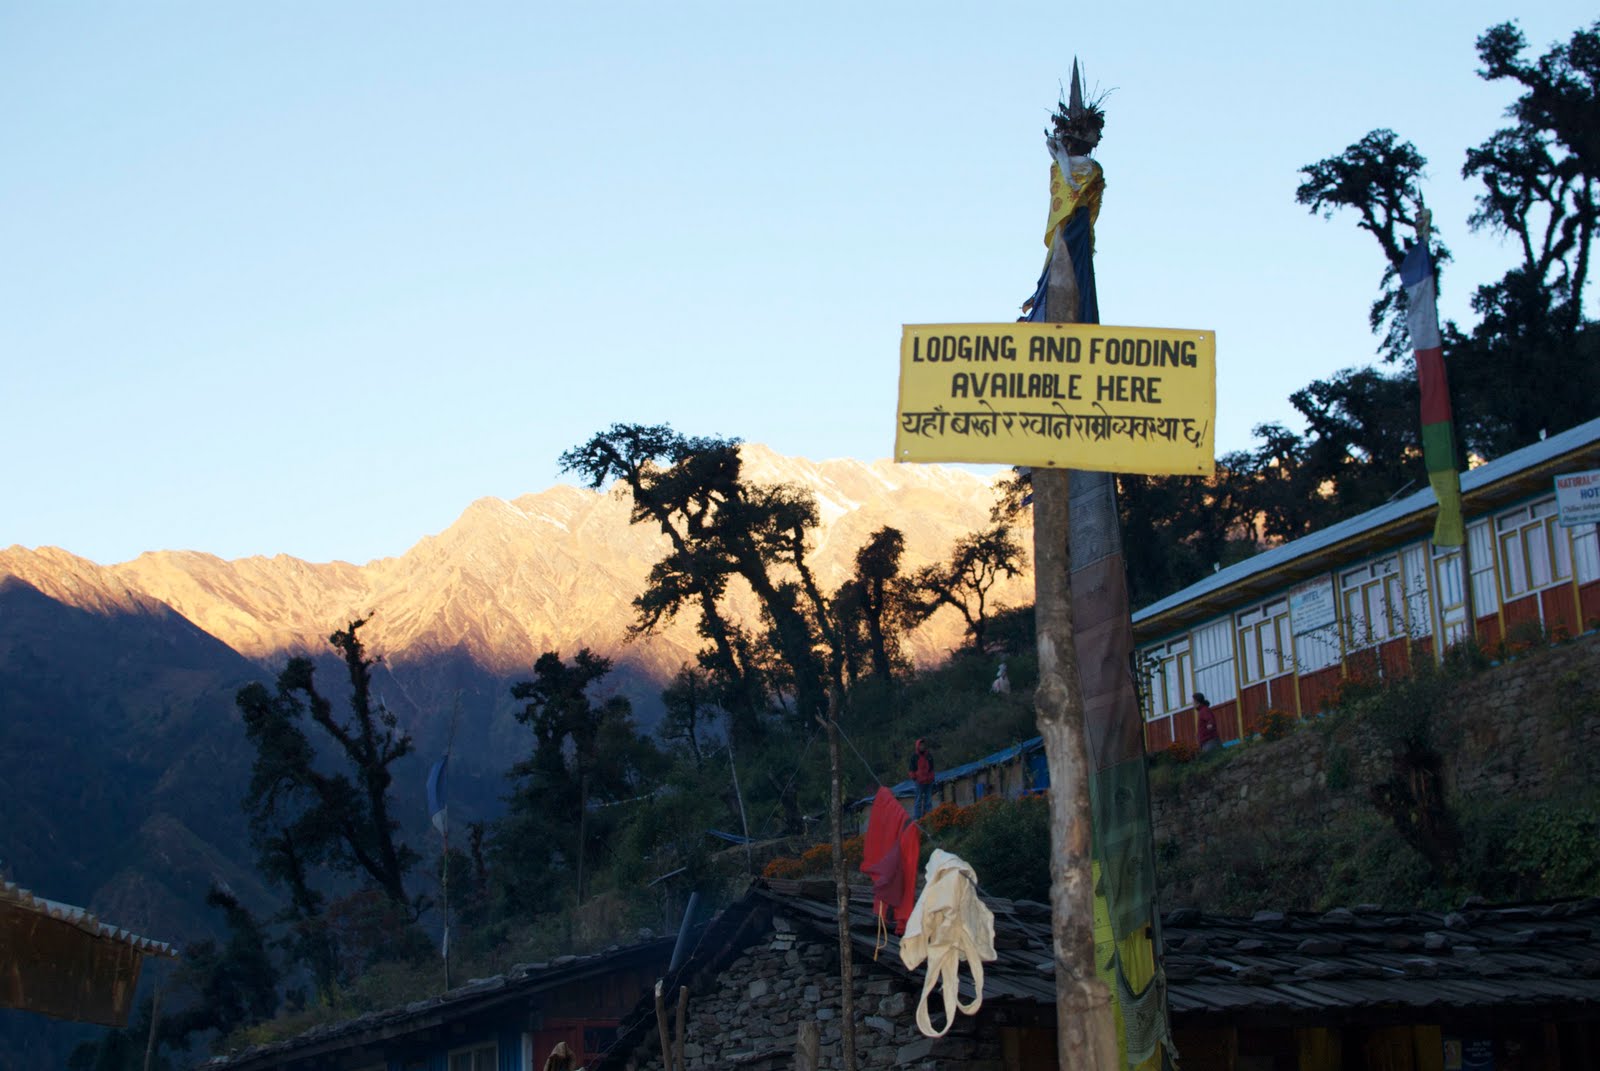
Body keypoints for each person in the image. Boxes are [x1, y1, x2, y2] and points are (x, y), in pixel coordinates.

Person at [908, 738, 937, 818]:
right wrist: (915, 778)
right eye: (920, 745)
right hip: (919, 782)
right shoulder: (914, 756)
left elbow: (932, 768)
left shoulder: (929, 755)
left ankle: (929, 817)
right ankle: (917, 818)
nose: (922, 746)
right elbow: (911, 769)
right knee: (918, 800)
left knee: (928, 801)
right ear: (917, 746)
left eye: (923, 745)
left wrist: (932, 778)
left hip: (928, 782)